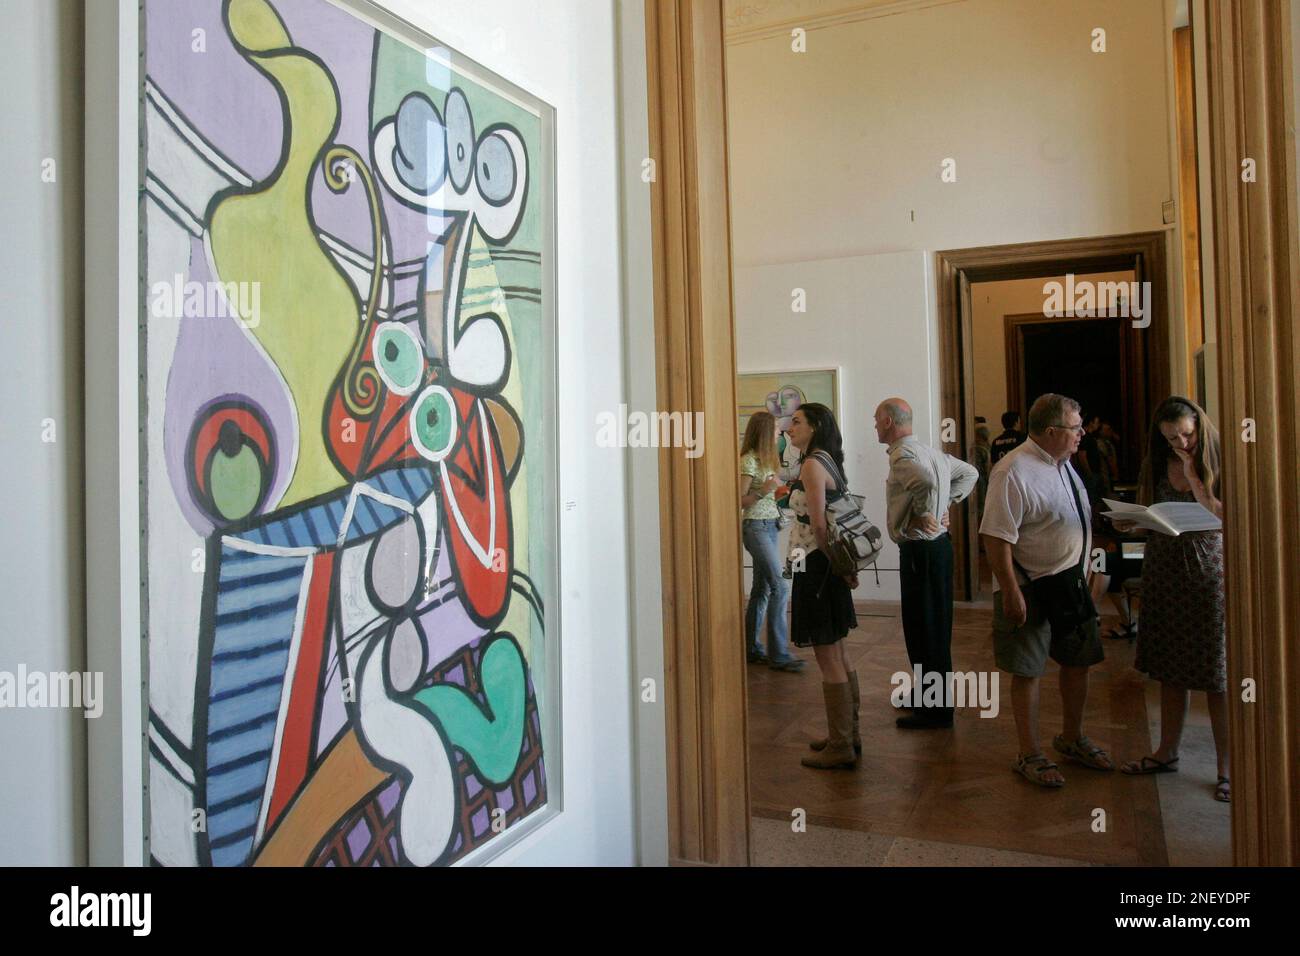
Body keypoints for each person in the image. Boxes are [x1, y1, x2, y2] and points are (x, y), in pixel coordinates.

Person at [980, 393, 1114, 787]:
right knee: (1028, 669)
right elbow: (995, 537)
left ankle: (1071, 738)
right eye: (1075, 427)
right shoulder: (1013, 470)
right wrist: (1011, 591)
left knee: (1078, 660)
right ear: (1052, 431)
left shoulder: (1064, 464)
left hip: (1070, 583)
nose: (1082, 433)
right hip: (1030, 586)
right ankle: (1030, 753)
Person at [1115, 397, 1229, 802]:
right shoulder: (1155, 464)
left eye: (1187, 432)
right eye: (1171, 437)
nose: (1181, 441)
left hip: (1209, 574)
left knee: (1217, 674)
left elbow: (1227, 517)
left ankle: (1226, 768)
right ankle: (1166, 752)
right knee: (1169, 668)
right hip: (1164, 570)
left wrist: (1198, 481)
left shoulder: (1221, 459)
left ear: (1199, 424)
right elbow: (1152, 515)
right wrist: (1133, 521)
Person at [876, 398, 979, 728]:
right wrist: (944, 504)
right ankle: (927, 694)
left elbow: (925, 483)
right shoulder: (932, 452)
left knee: (925, 631)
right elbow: (970, 473)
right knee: (931, 628)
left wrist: (925, 513)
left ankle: (935, 710)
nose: (875, 426)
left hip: (922, 552)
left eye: (878, 420)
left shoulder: (903, 455)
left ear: (890, 422)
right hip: (937, 551)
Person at [785, 403, 860, 769]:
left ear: (815, 426)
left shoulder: (813, 464)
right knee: (839, 651)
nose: (789, 427)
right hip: (825, 566)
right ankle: (846, 736)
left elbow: (819, 526)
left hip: (817, 565)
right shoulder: (826, 460)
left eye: (797, 422)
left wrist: (836, 565)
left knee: (828, 656)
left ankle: (842, 745)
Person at [739, 411, 805, 672]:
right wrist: (762, 491)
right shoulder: (749, 461)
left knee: (763, 588)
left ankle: (752, 649)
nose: (781, 432)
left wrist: (781, 493)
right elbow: (740, 500)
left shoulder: (768, 461)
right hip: (755, 527)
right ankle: (779, 655)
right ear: (765, 432)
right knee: (780, 586)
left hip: (769, 527)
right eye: (777, 429)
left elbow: (773, 495)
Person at [970, 423, 992, 523]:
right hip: (984, 481)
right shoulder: (988, 448)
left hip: (978, 482)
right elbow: (988, 468)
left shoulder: (976, 449)